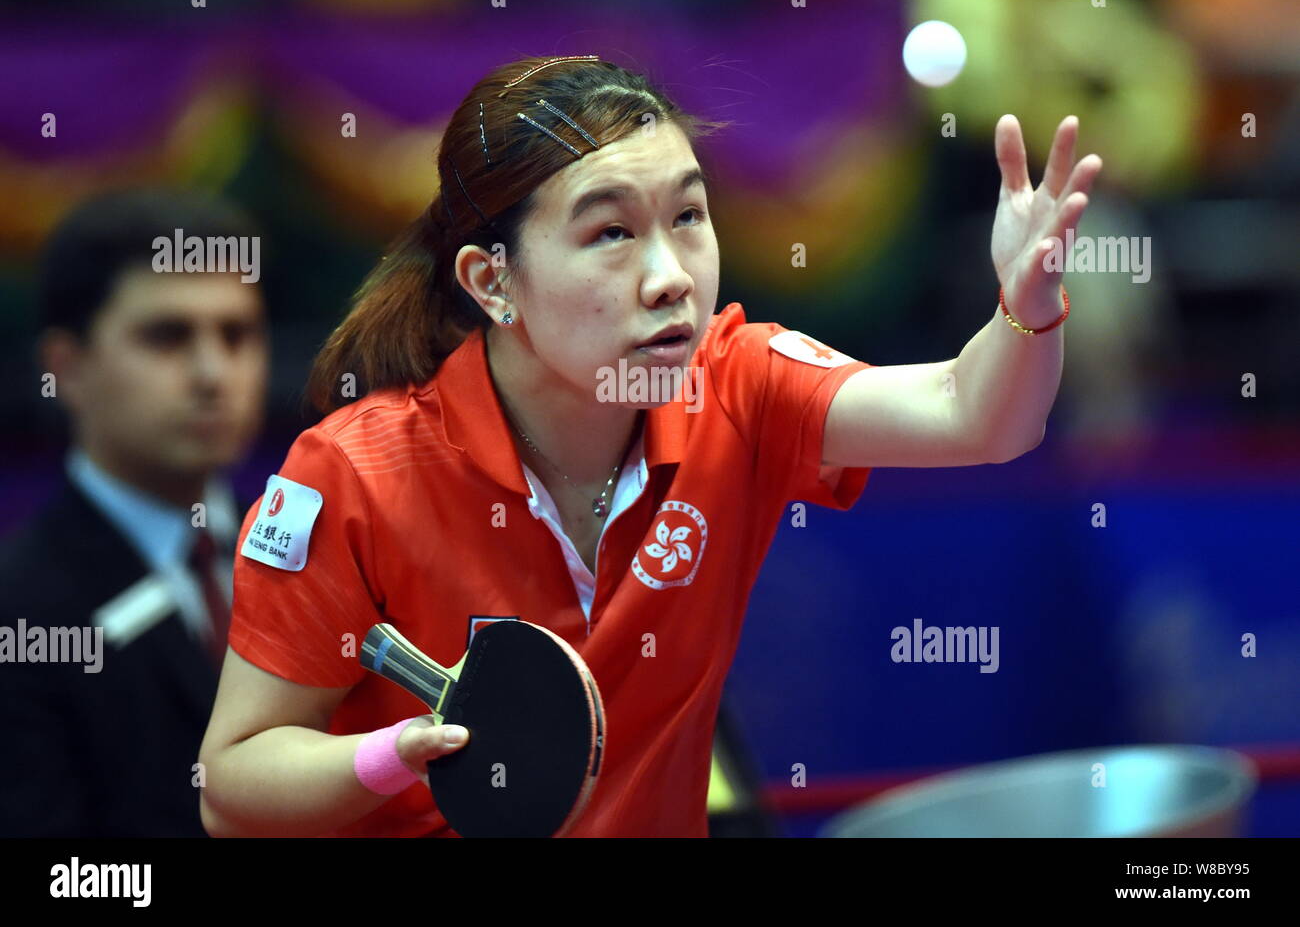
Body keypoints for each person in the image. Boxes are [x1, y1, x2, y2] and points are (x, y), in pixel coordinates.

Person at [198, 55, 1100, 837]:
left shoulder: (735, 387)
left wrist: (1026, 311)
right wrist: (396, 754)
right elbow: (232, 786)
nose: (671, 278)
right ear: (492, 279)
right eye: (612, 232)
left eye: (689, 217)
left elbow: (976, 415)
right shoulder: (354, 472)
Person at [0, 189, 268, 835]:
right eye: (167, 336)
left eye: (236, 334)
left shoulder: (327, 553)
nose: (213, 372)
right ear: (65, 368)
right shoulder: (19, 611)